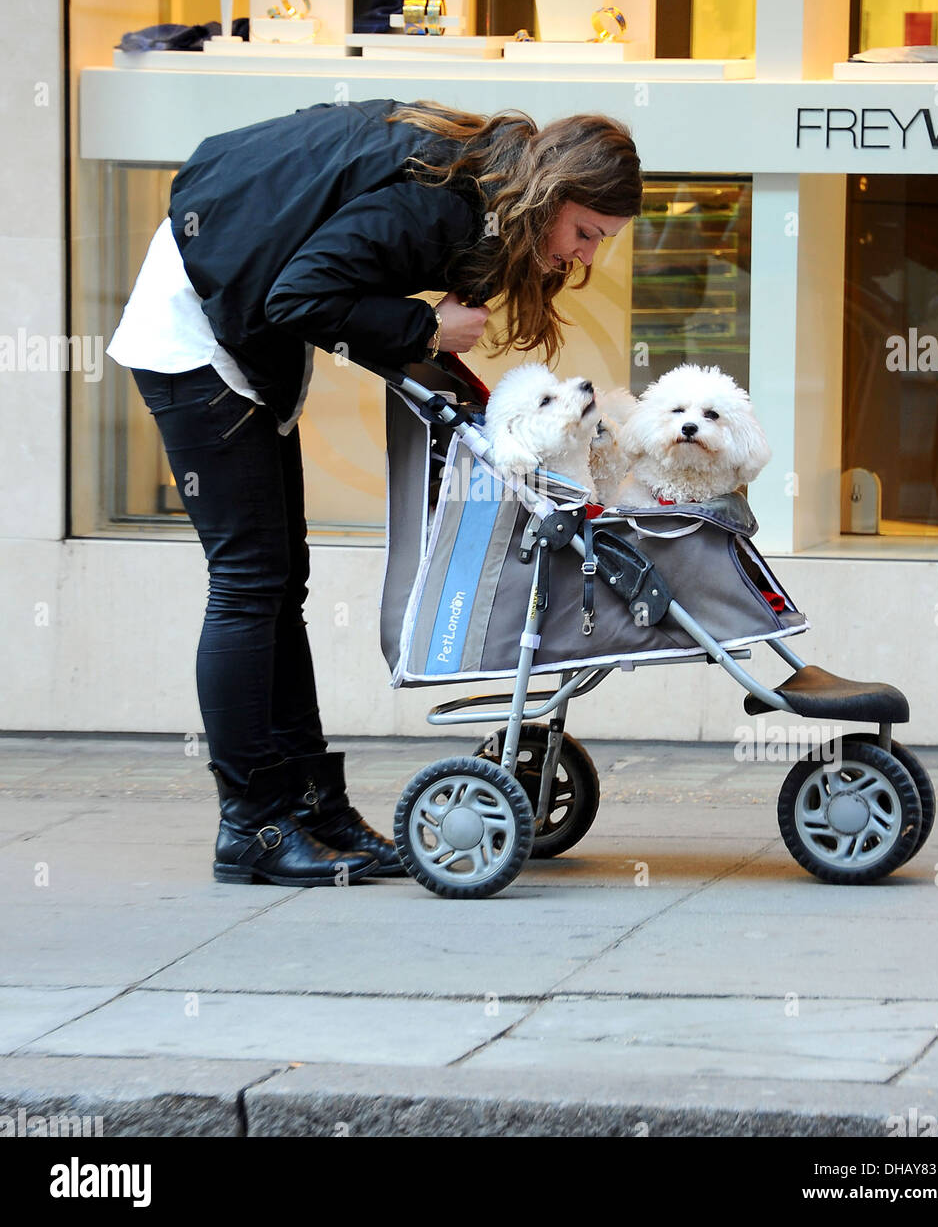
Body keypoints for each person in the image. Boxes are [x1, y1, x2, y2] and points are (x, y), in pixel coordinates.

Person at [107, 97, 642, 887]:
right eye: (584, 233)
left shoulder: (484, 185)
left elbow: (320, 285)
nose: (584, 256)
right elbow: (298, 297)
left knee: (280, 582)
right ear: (550, 194)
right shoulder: (438, 206)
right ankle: (253, 826)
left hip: (239, 319)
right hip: (194, 336)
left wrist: (430, 347)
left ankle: (314, 807)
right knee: (250, 584)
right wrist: (424, 329)